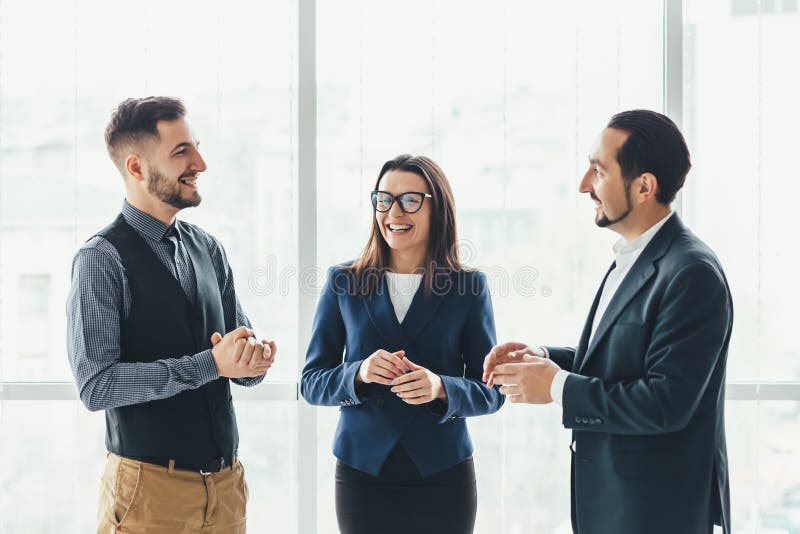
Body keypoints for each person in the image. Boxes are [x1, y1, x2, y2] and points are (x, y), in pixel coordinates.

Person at [483, 110, 733, 534]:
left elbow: (665, 402)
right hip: (614, 504)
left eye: (598, 171)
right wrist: (543, 357)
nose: (584, 185)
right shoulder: (632, 257)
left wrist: (557, 387)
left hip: (654, 513)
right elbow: (617, 359)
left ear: (644, 187)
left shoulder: (692, 272)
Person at [66, 96, 276, 533]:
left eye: (195, 147)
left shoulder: (208, 247)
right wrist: (209, 365)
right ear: (137, 168)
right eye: (181, 151)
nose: (199, 162)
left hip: (225, 489)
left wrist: (252, 360)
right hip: (148, 494)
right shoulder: (101, 258)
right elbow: (96, 385)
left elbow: (237, 361)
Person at [301, 154, 504, 534]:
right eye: (384, 198)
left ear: (437, 207)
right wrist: (357, 373)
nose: (394, 211)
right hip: (363, 472)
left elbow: (492, 392)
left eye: (410, 199)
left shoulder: (468, 287)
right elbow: (311, 383)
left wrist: (440, 386)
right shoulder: (344, 281)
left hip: (443, 472)